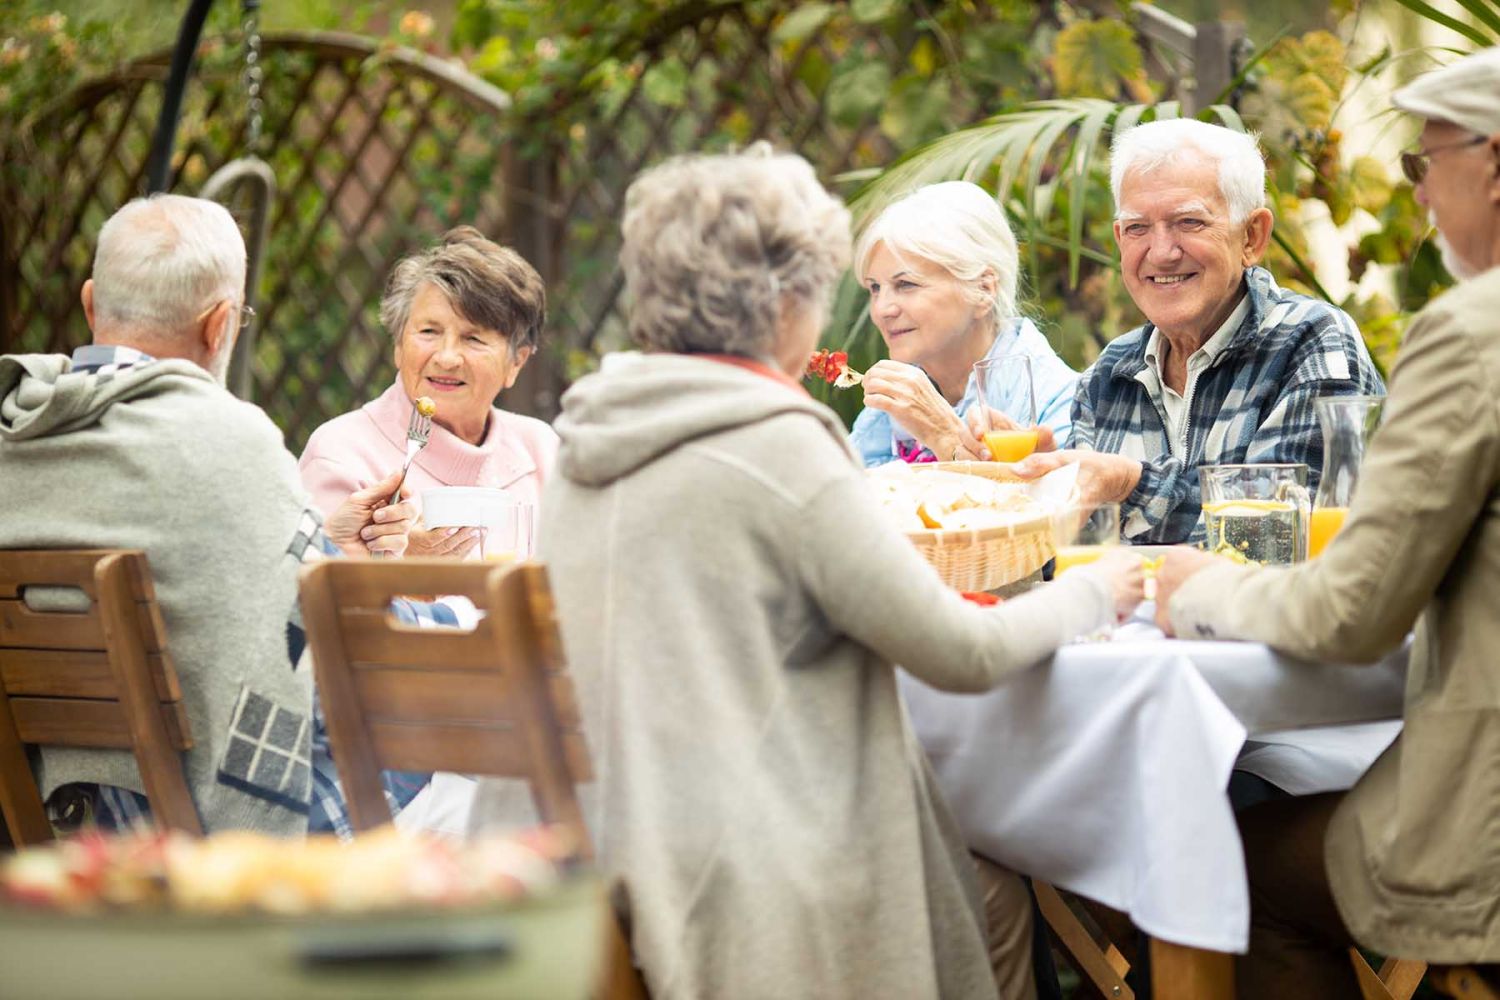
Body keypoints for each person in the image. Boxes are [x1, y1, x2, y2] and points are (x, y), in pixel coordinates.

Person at [469, 146, 1144, 999]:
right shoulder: (779, 442)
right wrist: (1096, 587)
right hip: (745, 872)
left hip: (595, 861)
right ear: (788, 303)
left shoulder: (589, 438)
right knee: (979, 879)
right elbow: (965, 654)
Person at [1153, 47, 1500, 996]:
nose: (1420, 192)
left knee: (1225, 866)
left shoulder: (1470, 334)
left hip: (1485, 826)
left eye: (1428, 162)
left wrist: (1202, 589)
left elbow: (1352, 612)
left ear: (1494, 166)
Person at [0, 194, 414, 836]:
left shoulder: (19, 431)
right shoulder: (226, 440)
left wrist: (319, 537)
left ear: (90, 304)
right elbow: (331, 638)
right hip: (186, 830)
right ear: (220, 324)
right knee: (443, 741)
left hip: (53, 821)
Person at [1015, 119, 1384, 543]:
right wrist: (1037, 490)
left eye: (1189, 222)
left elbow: (1272, 543)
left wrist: (1131, 485)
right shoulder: (1108, 374)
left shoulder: (1310, 342)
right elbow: (1073, 558)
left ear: (1252, 236)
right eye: (1137, 228)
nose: (1161, 252)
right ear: (1120, 238)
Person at [299, 227, 557, 559]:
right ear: (398, 345)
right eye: (429, 331)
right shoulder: (341, 453)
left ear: (516, 362)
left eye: (473, 338)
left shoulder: (542, 452)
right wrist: (397, 566)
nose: (446, 358)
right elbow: (313, 584)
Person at [849, 181, 1078, 466]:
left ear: (983, 289)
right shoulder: (889, 409)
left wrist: (944, 436)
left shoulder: (1062, 402)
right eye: (874, 288)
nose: (882, 309)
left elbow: (1040, 494)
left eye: (906, 284)